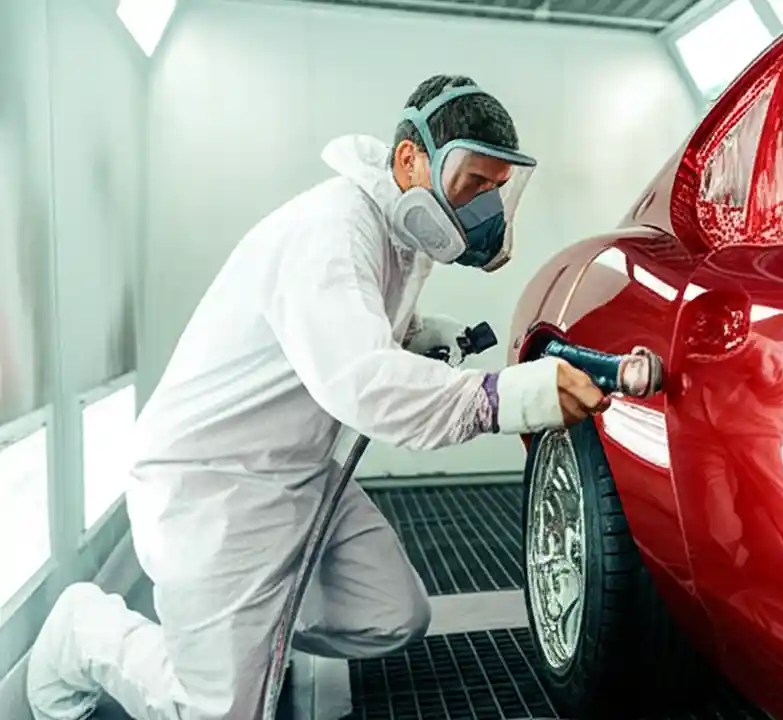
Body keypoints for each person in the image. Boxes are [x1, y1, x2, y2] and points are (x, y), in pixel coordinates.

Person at [26, 74, 607, 720]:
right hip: (213, 485)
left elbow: (349, 323)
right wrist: (506, 398)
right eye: (474, 183)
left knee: (392, 616)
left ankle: (249, 633)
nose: (485, 209)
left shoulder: (398, 237)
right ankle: (84, 630)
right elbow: (363, 384)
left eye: (496, 190)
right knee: (217, 713)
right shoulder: (331, 229)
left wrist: (417, 332)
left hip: (297, 472)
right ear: (411, 159)